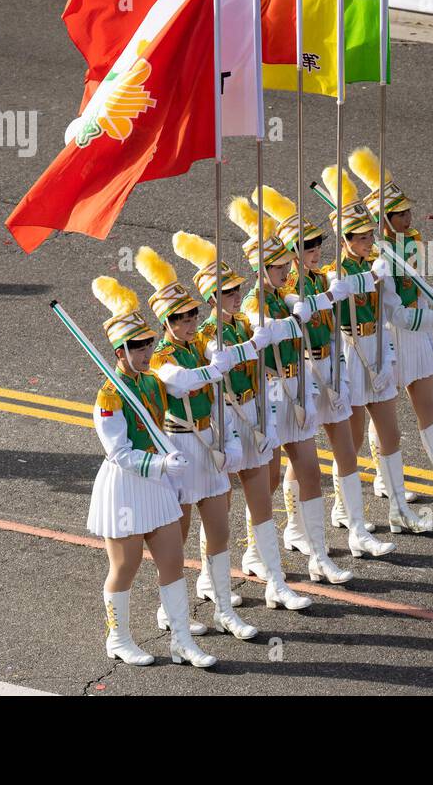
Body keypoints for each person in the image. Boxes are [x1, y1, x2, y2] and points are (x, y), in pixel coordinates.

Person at [171, 230, 313, 611]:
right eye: (228, 292)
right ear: (212, 298)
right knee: (217, 505)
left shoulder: (241, 323)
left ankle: (273, 582)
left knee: (261, 499)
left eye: (237, 289)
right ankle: (208, 577)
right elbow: (220, 357)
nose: (237, 295)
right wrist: (252, 344)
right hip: (221, 427)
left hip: (252, 416)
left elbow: (263, 366)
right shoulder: (206, 334)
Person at [254, 184, 396, 559]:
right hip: (297, 375)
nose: (315, 252)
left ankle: (357, 529)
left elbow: (333, 326)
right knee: (294, 461)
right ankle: (295, 529)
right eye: (306, 248)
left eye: (317, 244)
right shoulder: (281, 292)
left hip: (329, 366)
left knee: (345, 450)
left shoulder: (320, 278)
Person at [86, 276, 216, 668]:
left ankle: (180, 641)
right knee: (125, 566)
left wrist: (211, 367)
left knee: (173, 562)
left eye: (149, 345)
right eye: (139, 348)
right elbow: (120, 452)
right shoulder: (109, 396)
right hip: (126, 486)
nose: (147, 352)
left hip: (157, 483)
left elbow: (180, 393)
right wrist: (161, 463)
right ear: (120, 352)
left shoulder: (151, 382)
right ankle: (118, 638)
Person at [134, 246, 259, 641]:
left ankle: (224, 609)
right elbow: (179, 382)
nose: (190, 322)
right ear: (165, 323)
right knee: (178, 535)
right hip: (180, 448)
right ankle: (169, 611)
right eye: (180, 318)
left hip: (209, 441)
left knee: (220, 529)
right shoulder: (162, 356)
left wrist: (233, 441)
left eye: (192, 315)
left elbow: (220, 369)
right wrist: (212, 369)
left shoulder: (196, 345)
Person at [229, 197, 354, 584]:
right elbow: (260, 327)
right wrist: (287, 323)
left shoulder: (286, 294)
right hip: (267, 397)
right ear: (262, 269)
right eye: (280, 267)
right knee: (262, 484)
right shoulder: (251, 302)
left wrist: (305, 303)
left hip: (295, 389)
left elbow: (300, 307)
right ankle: (254, 552)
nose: (287, 272)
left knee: (310, 471)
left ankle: (318, 554)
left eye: (287, 266)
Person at [348, 148, 433, 506]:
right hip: (391, 337)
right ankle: (384, 480)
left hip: (417, 334)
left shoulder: (411, 241)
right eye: (399, 214)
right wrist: (432, 317)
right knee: (383, 411)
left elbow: (419, 286)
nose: (407, 218)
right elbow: (394, 312)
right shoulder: (377, 258)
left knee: (427, 407)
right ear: (382, 220)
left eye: (407, 212)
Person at [321, 165, 433, 534]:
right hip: (350, 351)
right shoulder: (332, 272)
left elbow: (391, 311)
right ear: (346, 240)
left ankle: (399, 508)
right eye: (362, 237)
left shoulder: (377, 265)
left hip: (377, 346)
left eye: (371, 234)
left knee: (391, 433)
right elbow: (340, 292)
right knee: (350, 440)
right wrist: (371, 275)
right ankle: (344, 508)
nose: (369, 241)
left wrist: (423, 317)